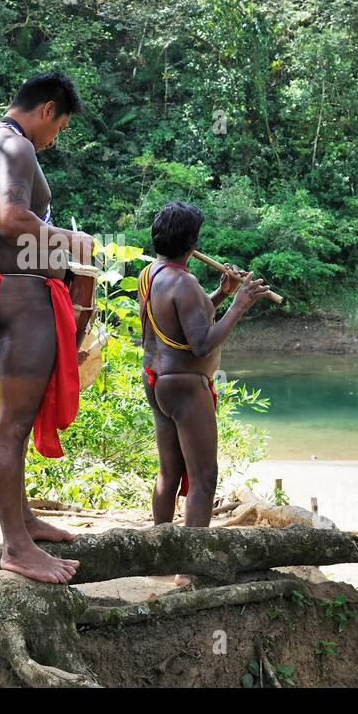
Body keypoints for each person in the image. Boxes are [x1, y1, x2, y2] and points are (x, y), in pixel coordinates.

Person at [0, 72, 94, 584]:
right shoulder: (16, 148)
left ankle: (25, 521)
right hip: (22, 295)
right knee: (11, 426)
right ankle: (15, 548)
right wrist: (70, 240)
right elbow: (11, 216)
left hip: (0, 290)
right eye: (57, 128)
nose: (53, 138)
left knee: (14, 419)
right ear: (47, 110)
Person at [139, 201, 268, 529]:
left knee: (168, 473)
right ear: (192, 243)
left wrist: (223, 294)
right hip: (184, 385)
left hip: (157, 381)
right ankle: (189, 569)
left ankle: (160, 553)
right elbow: (202, 343)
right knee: (204, 477)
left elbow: (181, 319)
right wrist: (239, 306)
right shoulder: (184, 283)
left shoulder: (151, 274)